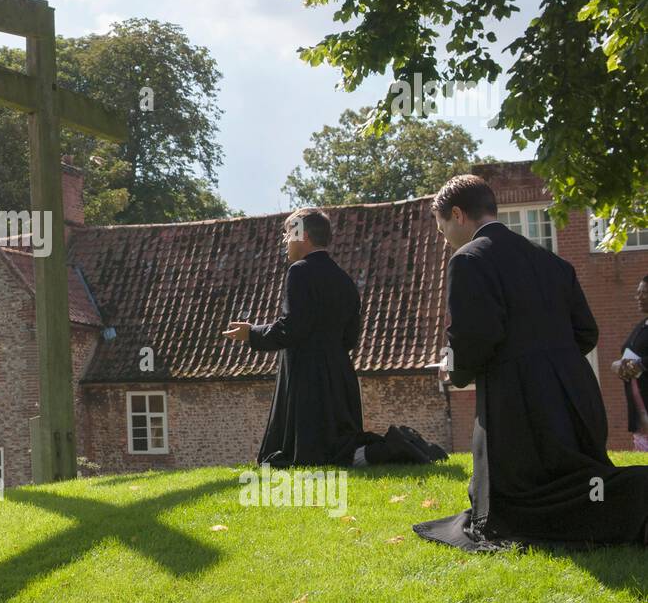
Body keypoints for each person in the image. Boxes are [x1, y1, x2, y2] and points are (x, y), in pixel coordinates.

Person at [415, 175, 648, 550]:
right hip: (575, 396)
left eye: (443, 231)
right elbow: (586, 332)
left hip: (520, 401)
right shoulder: (552, 261)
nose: (445, 242)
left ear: (457, 215)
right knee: (582, 483)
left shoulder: (469, 260)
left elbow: (473, 336)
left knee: (523, 503)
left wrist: (454, 369)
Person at [223, 209, 442, 467]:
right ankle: (398, 449)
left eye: (287, 234)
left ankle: (396, 448)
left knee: (313, 454)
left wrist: (253, 333)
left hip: (308, 378)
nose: (284, 241)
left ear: (302, 236)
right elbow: (350, 338)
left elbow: (292, 328)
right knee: (339, 450)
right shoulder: (344, 280)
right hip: (339, 375)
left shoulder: (300, 272)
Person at [611, 277, 648, 451]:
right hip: (639, 408)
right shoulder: (641, 326)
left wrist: (641, 364)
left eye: (644, 293)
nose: (639, 297)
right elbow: (624, 353)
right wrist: (617, 365)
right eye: (638, 293)